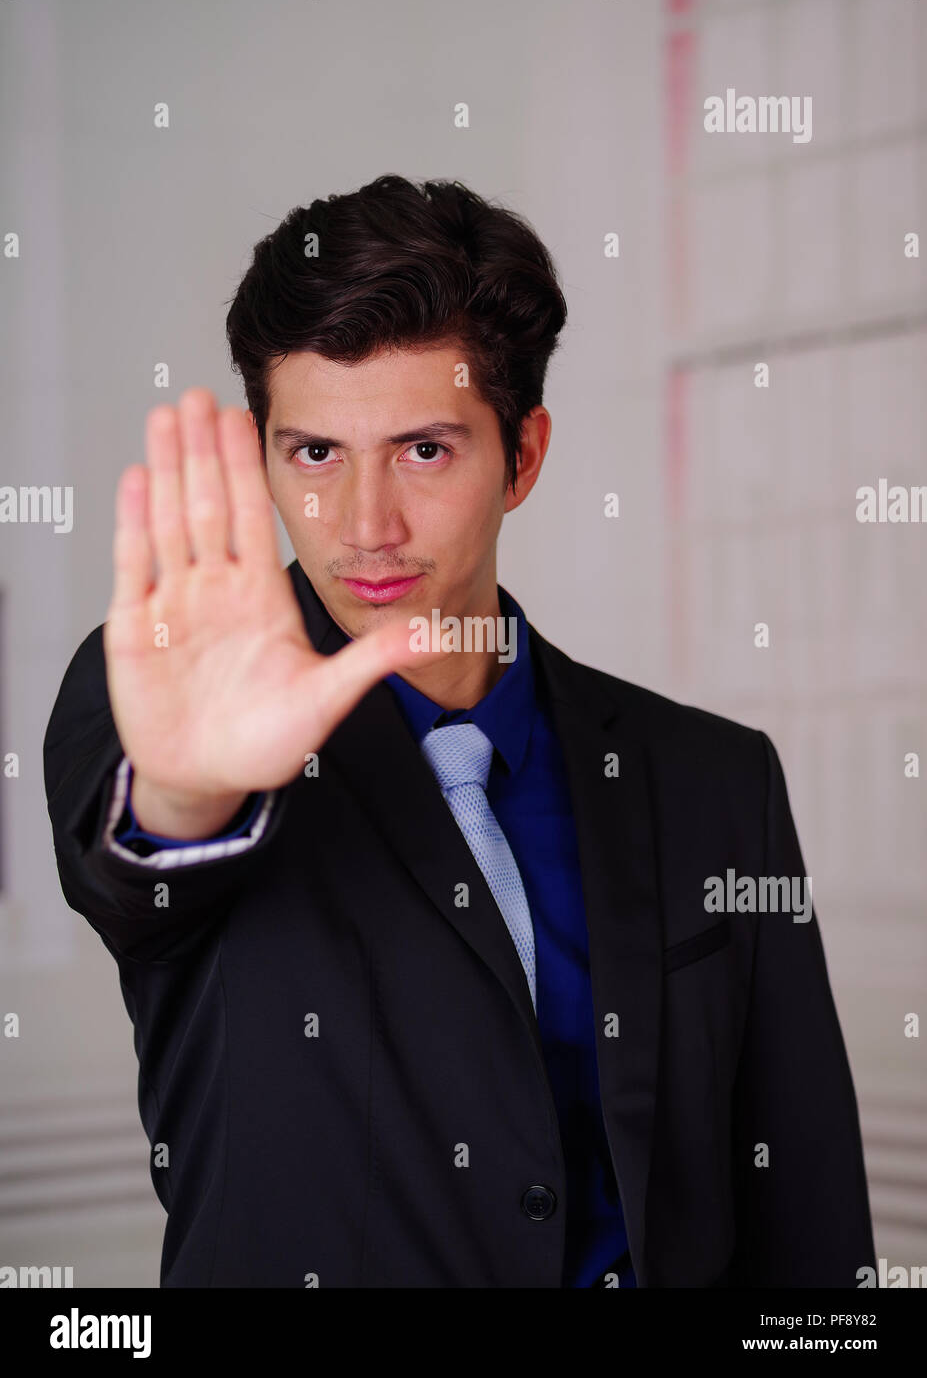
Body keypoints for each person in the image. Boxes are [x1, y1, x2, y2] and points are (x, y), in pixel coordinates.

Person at [44, 174, 875, 1288]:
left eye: (424, 451)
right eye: (316, 454)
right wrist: (187, 799)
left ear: (522, 456)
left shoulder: (716, 781)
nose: (365, 526)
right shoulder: (161, 700)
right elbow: (138, 876)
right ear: (265, 454)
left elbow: (806, 1220)